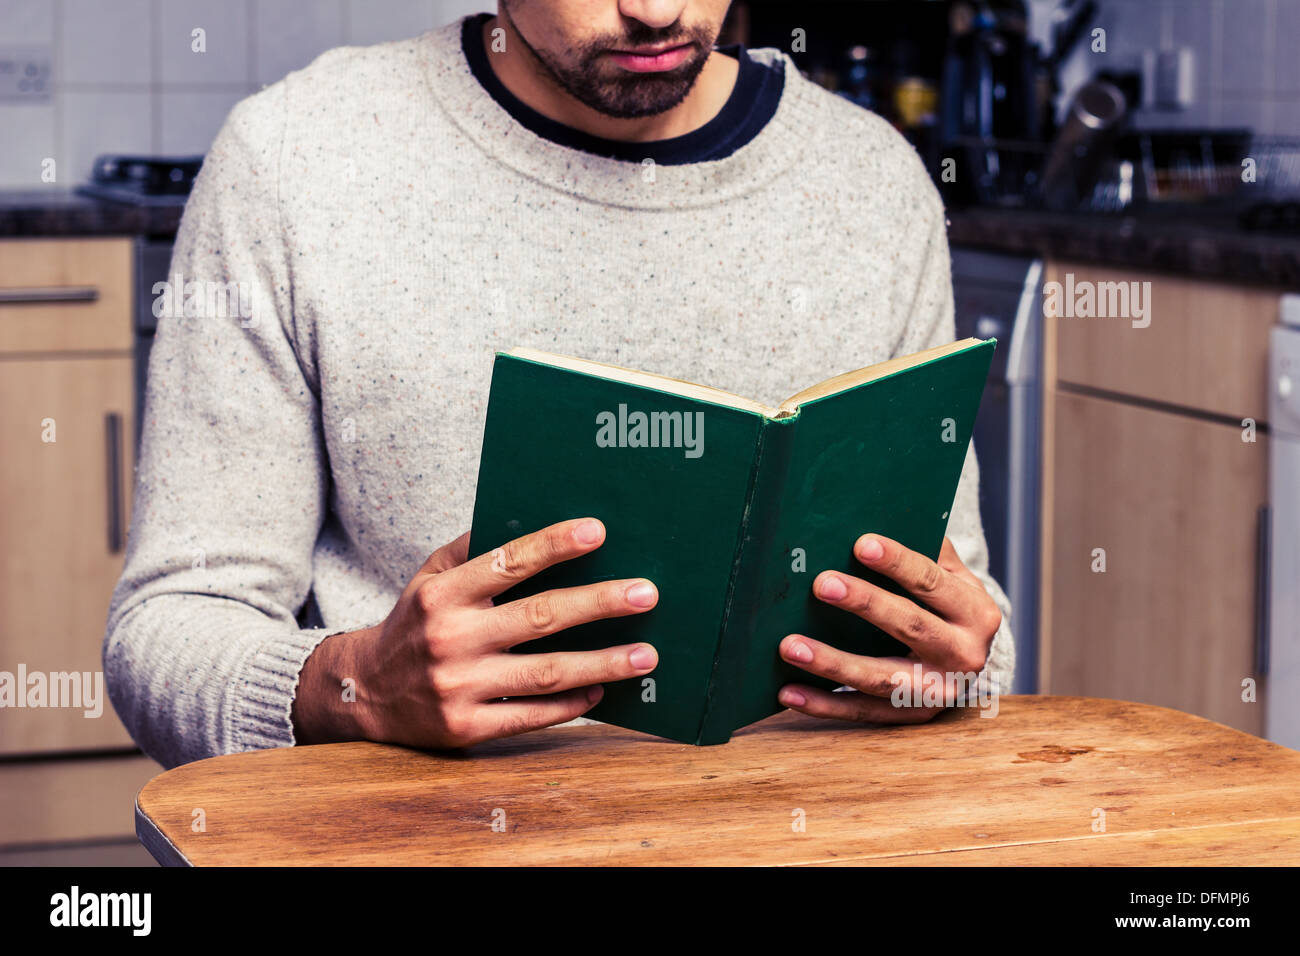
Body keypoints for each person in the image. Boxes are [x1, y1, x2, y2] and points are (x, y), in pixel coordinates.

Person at [105, 1, 1014, 770]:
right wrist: (360, 689)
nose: (659, 11)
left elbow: (970, 620)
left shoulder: (874, 183)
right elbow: (166, 635)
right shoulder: (293, 160)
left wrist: (959, 663)